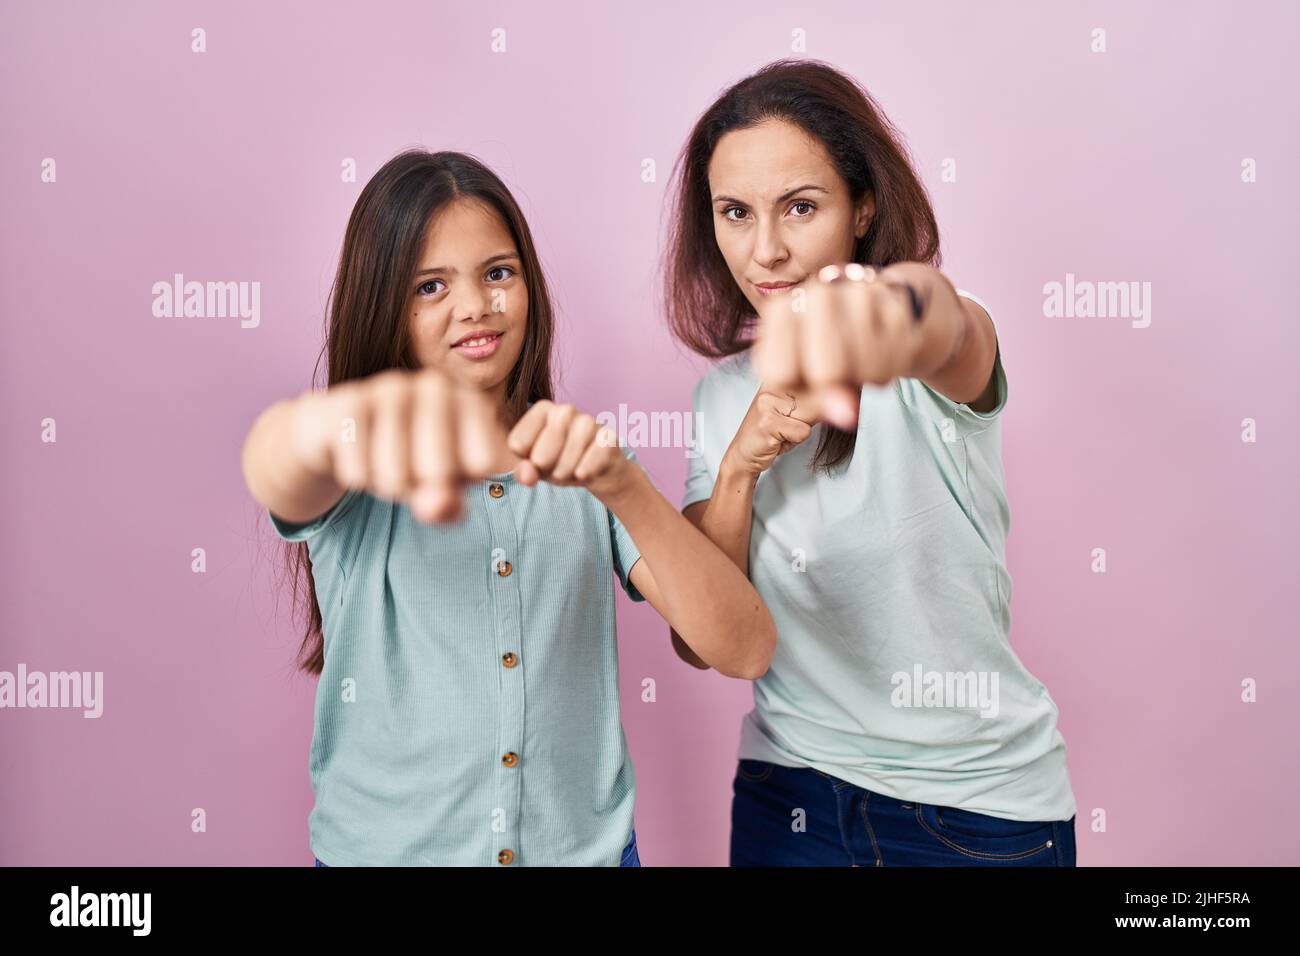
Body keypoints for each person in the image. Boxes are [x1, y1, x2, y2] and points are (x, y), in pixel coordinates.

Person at [242, 149, 775, 866]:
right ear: (383, 306)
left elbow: (740, 648)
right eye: (430, 286)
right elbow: (276, 461)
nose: (475, 306)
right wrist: (346, 426)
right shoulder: (352, 470)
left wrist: (623, 486)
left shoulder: (591, 466)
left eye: (499, 273)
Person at [663, 59, 1078, 866]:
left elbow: (944, 323)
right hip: (790, 797)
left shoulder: (928, 358)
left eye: (801, 207)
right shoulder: (720, 401)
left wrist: (890, 310)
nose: (767, 250)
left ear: (863, 208)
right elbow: (702, 639)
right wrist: (741, 469)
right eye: (735, 213)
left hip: (976, 811)